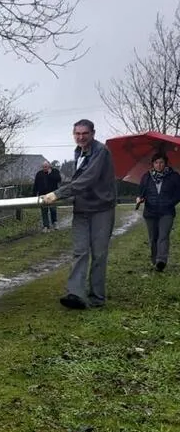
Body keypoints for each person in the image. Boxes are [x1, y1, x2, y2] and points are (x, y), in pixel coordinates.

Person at [42, 119, 117, 309]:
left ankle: (97, 298)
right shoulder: (79, 152)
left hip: (102, 209)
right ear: (73, 134)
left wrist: (58, 194)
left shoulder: (101, 151)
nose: (81, 137)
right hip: (82, 209)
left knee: (99, 254)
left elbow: (88, 180)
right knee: (79, 251)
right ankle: (75, 294)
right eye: (77, 134)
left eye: (85, 133)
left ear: (93, 133)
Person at [135, 152, 180, 271]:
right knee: (153, 237)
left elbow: (178, 193)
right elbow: (141, 192)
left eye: (161, 162)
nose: (159, 165)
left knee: (163, 236)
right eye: (156, 162)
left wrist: (171, 203)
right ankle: (155, 260)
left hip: (167, 212)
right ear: (153, 164)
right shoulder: (146, 177)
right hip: (150, 212)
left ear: (165, 163)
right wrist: (140, 198)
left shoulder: (174, 176)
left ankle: (161, 260)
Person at [33, 161, 62, 231]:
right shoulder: (39, 174)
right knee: (44, 211)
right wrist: (34, 194)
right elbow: (36, 185)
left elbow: (59, 179)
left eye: (46, 167)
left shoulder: (55, 172)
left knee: (53, 210)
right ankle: (46, 226)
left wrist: (50, 174)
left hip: (52, 194)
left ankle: (54, 223)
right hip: (42, 195)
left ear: (49, 166)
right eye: (43, 167)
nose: (44, 168)